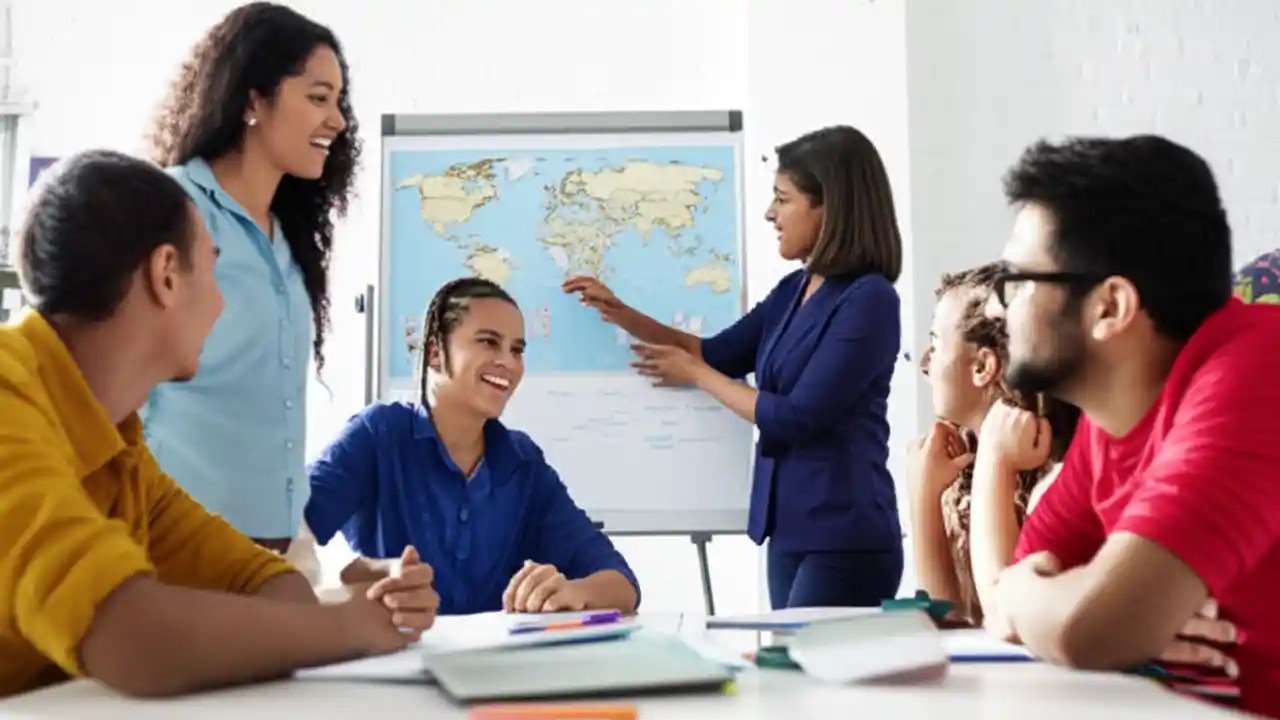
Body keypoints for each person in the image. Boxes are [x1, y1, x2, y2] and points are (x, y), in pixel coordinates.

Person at [0, 151, 434, 699]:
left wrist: (345, 609)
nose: (222, 302)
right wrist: (350, 627)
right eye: (213, 267)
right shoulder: (8, 398)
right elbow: (130, 637)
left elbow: (268, 585)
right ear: (166, 275)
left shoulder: (119, 444)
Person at [978, 135, 1280, 717]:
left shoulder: (1259, 370)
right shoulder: (1113, 420)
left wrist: (1098, 615)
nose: (996, 307)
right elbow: (1021, 601)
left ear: (1110, 307)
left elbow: (1086, 626)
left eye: (1016, 281)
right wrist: (1089, 612)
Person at [563, 125, 904, 609]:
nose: (770, 213)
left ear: (830, 207)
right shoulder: (794, 290)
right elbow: (716, 353)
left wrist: (696, 375)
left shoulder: (870, 300)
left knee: (804, 657)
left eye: (782, 199)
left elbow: (798, 416)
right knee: (784, 658)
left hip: (844, 538)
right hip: (789, 529)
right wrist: (622, 313)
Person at [141, 2, 360, 552]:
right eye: (318, 98)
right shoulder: (169, 209)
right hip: (176, 547)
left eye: (338, 101)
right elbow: (117, 395)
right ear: (253, 101)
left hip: (276, 548)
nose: (337, 120)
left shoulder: (289, 238)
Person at [305, 278, 640, 615]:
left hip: (496, 650)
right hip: (395, 647)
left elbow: (623, 585)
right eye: (489, 342)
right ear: (435, 353)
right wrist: (344, 586)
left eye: (517, 350)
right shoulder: (378, 435)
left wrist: (573, 590)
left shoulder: (523, 462)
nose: (508, 362)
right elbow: (284, 535)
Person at [909, 262, 1079, 625]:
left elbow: (995, 625)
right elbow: (948, 620)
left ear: (982, 366)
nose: (924, 361)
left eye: (936, 344)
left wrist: (991, 459)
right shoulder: (959, 465)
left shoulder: (1055, 478)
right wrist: (925, 495)